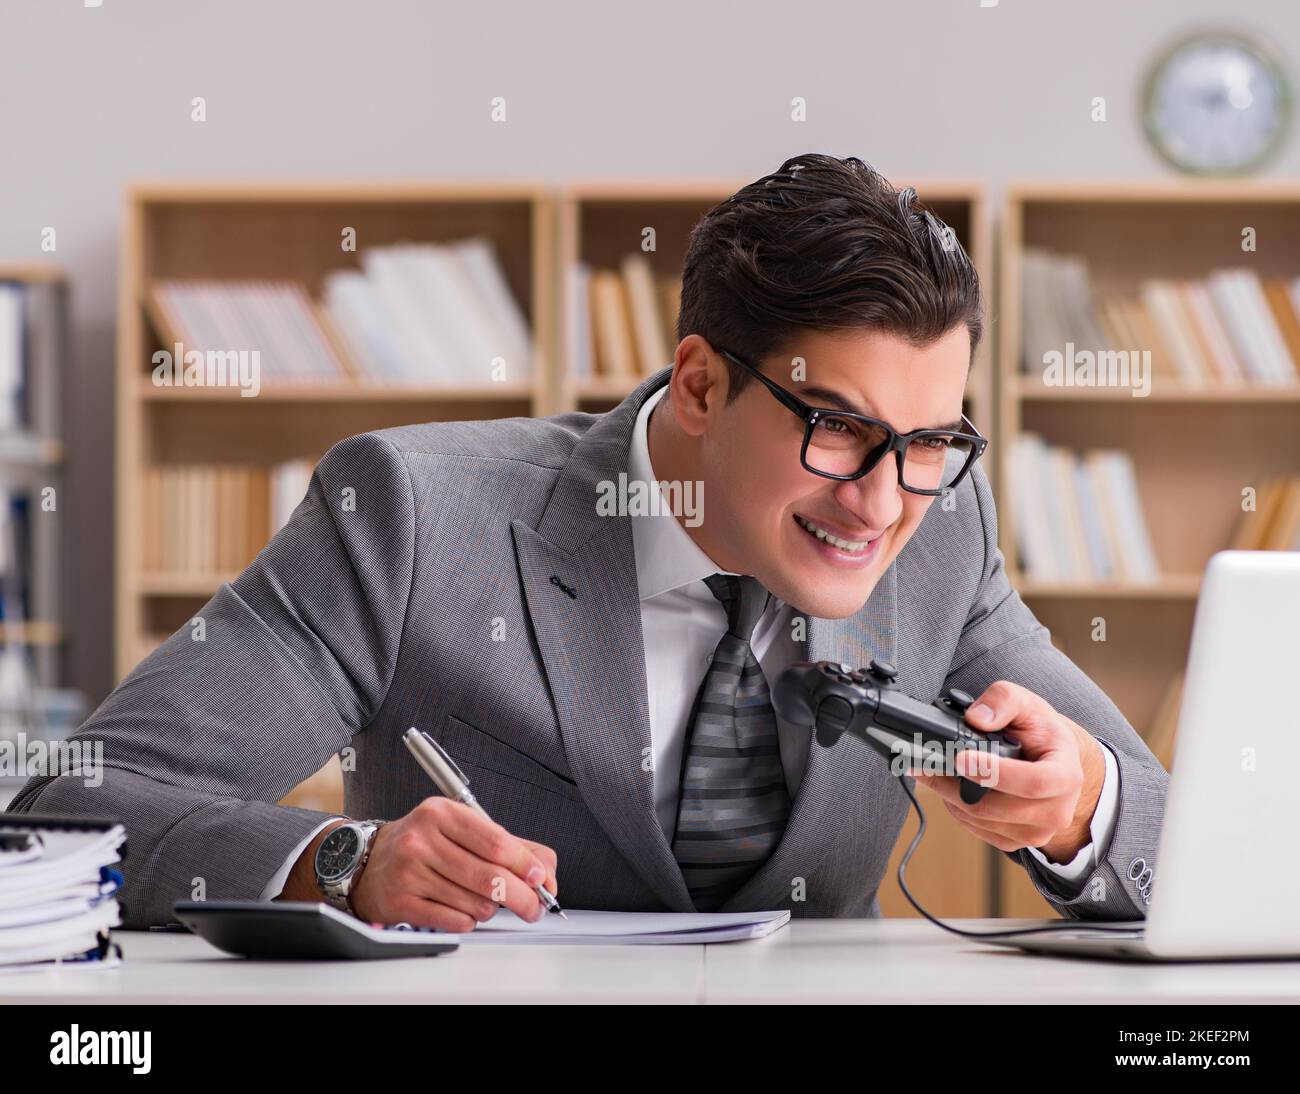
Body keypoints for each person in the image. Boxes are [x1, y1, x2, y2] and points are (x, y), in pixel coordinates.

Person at [12, 154, 1166, 929]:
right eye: (838, 430)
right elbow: (70, 812)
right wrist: (342, 864)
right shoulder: (411, 513)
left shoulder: (943, 524)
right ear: (703, 384)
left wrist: (1079, 811)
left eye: (926, 440)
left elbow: (1176, 833)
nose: (879, 502)